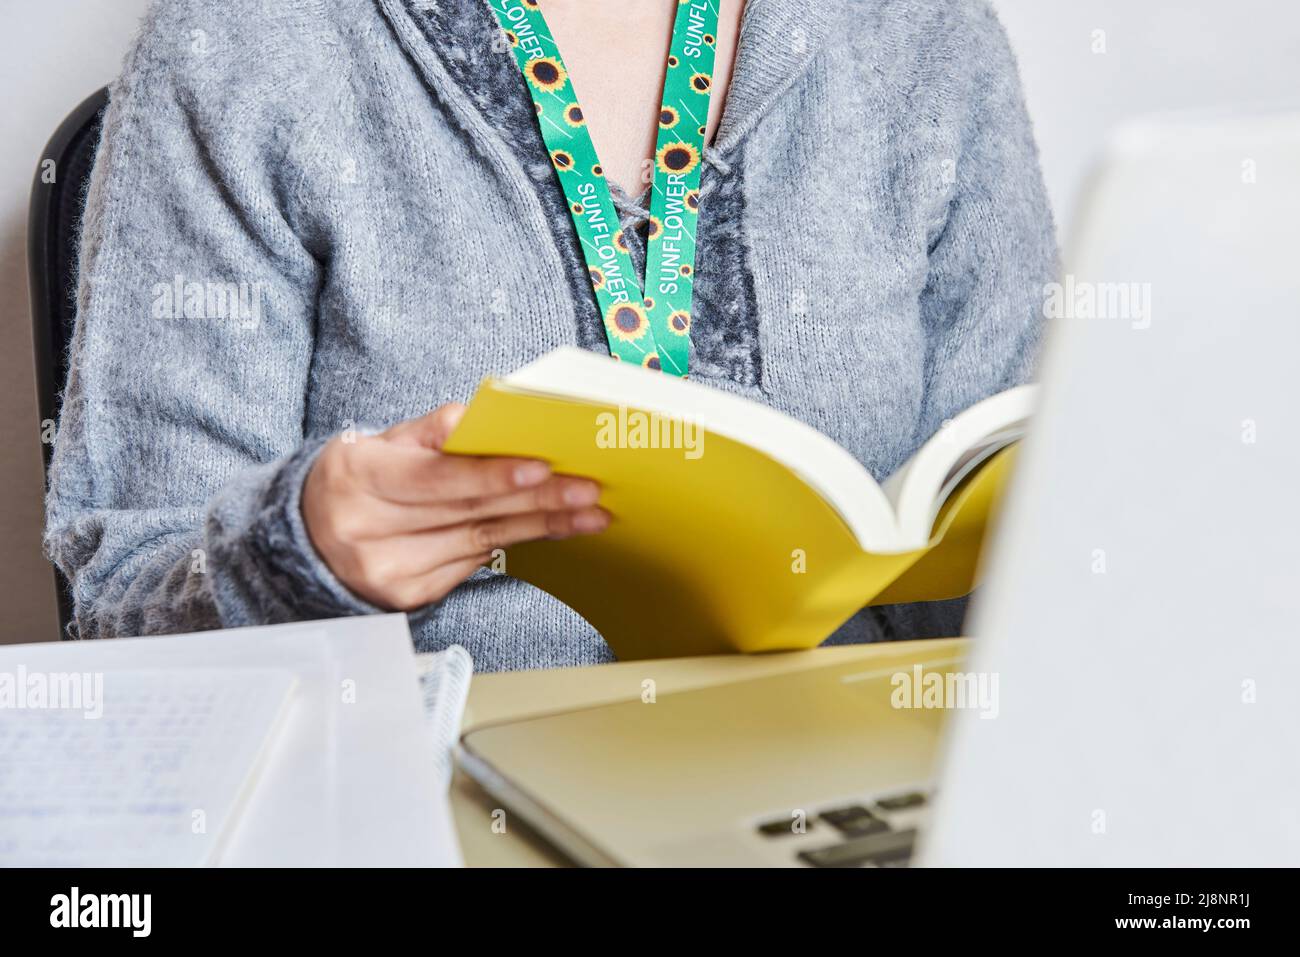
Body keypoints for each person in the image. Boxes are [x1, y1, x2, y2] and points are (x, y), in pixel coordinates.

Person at [45, 0, 1056, 671]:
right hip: (441, 812)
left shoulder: (924, 35)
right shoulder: (250, 41)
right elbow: (121, 604)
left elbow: (1013, 528)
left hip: (844, 796)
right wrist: (294, 557)